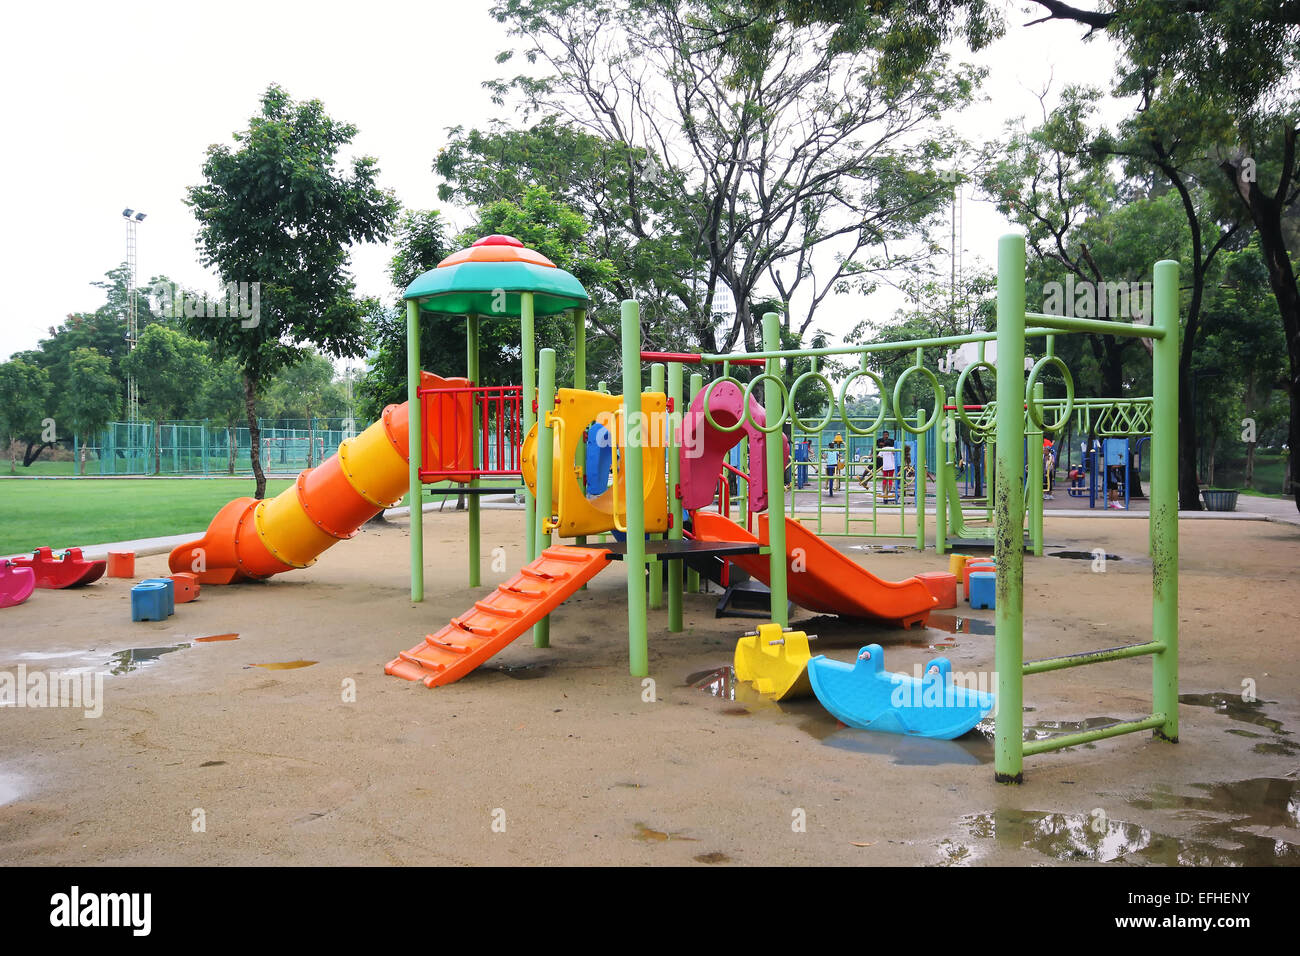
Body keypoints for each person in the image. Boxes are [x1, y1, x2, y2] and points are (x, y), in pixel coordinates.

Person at [877, 431, 897, 501]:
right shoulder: (893, 449)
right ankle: (889, 492)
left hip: (885, 466)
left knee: (885, 479)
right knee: (890, 479)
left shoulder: (883, 449)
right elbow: (895, 454)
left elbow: (879, 456)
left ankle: (883, 492)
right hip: (892, 466)